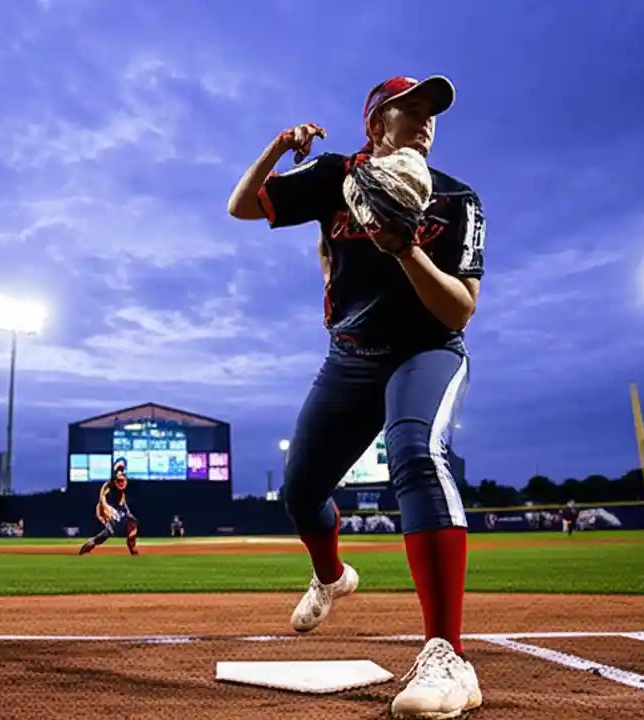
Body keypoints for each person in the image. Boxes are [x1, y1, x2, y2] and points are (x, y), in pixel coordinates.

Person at [227, 74, 485, 719]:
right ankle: (332, 577)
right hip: (350, 357)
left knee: (417, 457)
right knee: (300, 493)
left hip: (424, 352)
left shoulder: (457, 199)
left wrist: (404, 251)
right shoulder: (337, 175)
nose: (424, 122)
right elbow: (241, 206)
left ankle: (448, 656)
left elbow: (458, 313)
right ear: (376, 125)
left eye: (431, 113)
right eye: (410, 110)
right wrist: (278, 147)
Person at [78, 458, 139, 556]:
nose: (121, 482)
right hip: (107, 507)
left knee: (133, 523)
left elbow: (122, 497)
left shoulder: (123, 481)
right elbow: (102, 495)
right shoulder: (110, 484)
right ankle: (85, 549)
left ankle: (132, 549)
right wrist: (106, 507)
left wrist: (125, 510)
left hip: (119, 507)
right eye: (119, 468)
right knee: (106, 533)